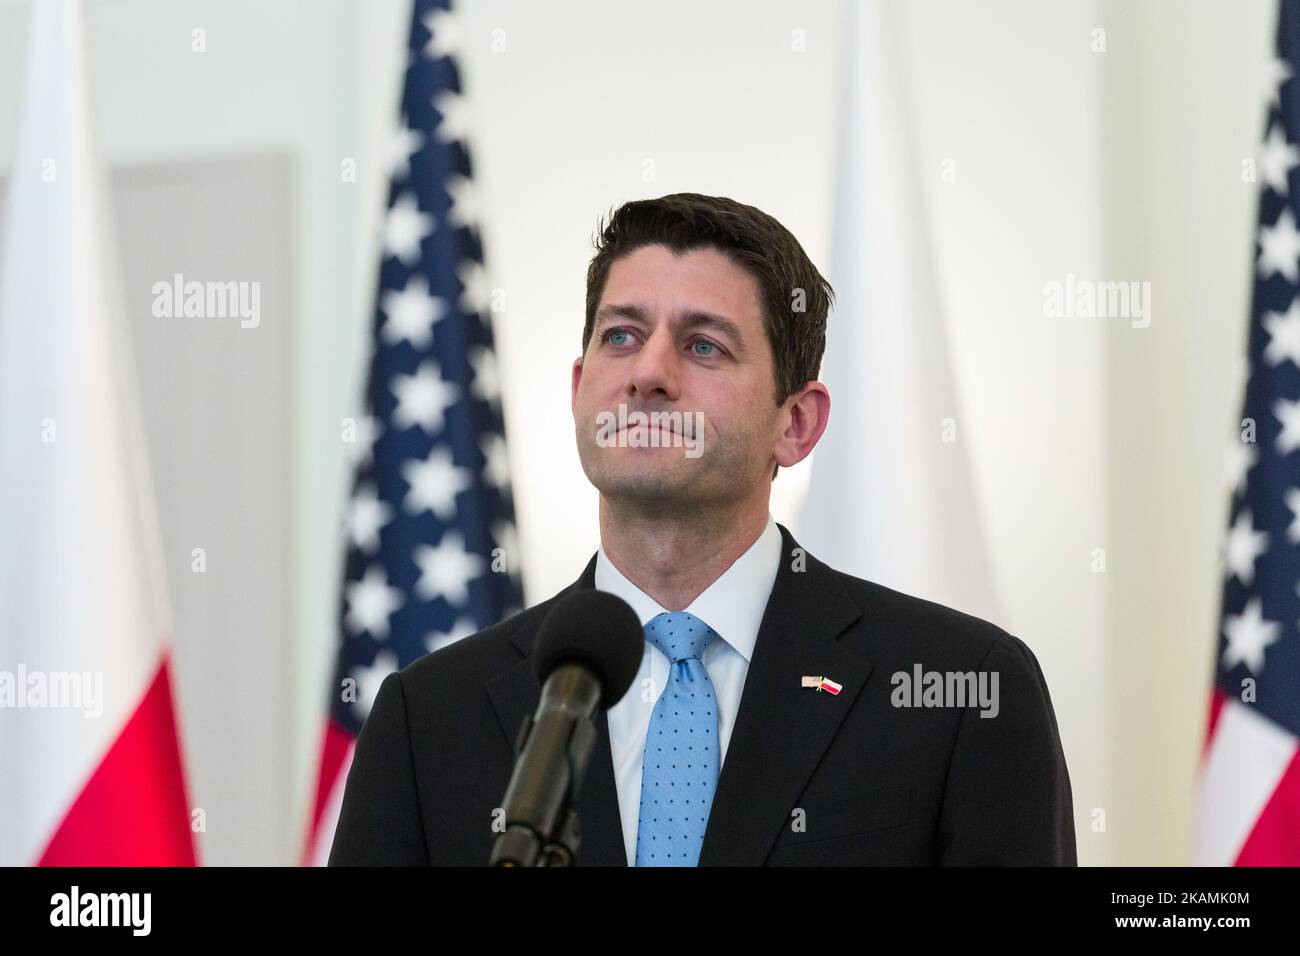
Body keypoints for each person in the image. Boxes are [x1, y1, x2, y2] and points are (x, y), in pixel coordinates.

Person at [328, 192, 1077, 866]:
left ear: (797, 424)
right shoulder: (427, 720)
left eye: (703, 345)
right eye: (620, 336)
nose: (649, 373)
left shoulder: (964, 691)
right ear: (579, 388)